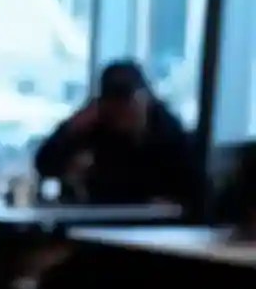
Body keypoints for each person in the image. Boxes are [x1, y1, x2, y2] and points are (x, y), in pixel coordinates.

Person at [35, 60, 201, 209]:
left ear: (146, 97)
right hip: (100, 221)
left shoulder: (170, 135)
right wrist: (71, 128)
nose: (122, 110)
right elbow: (45, 164)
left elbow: (194, 193)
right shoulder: (99, 129)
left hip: (157, 227)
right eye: (114, 103)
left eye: (127, 101)